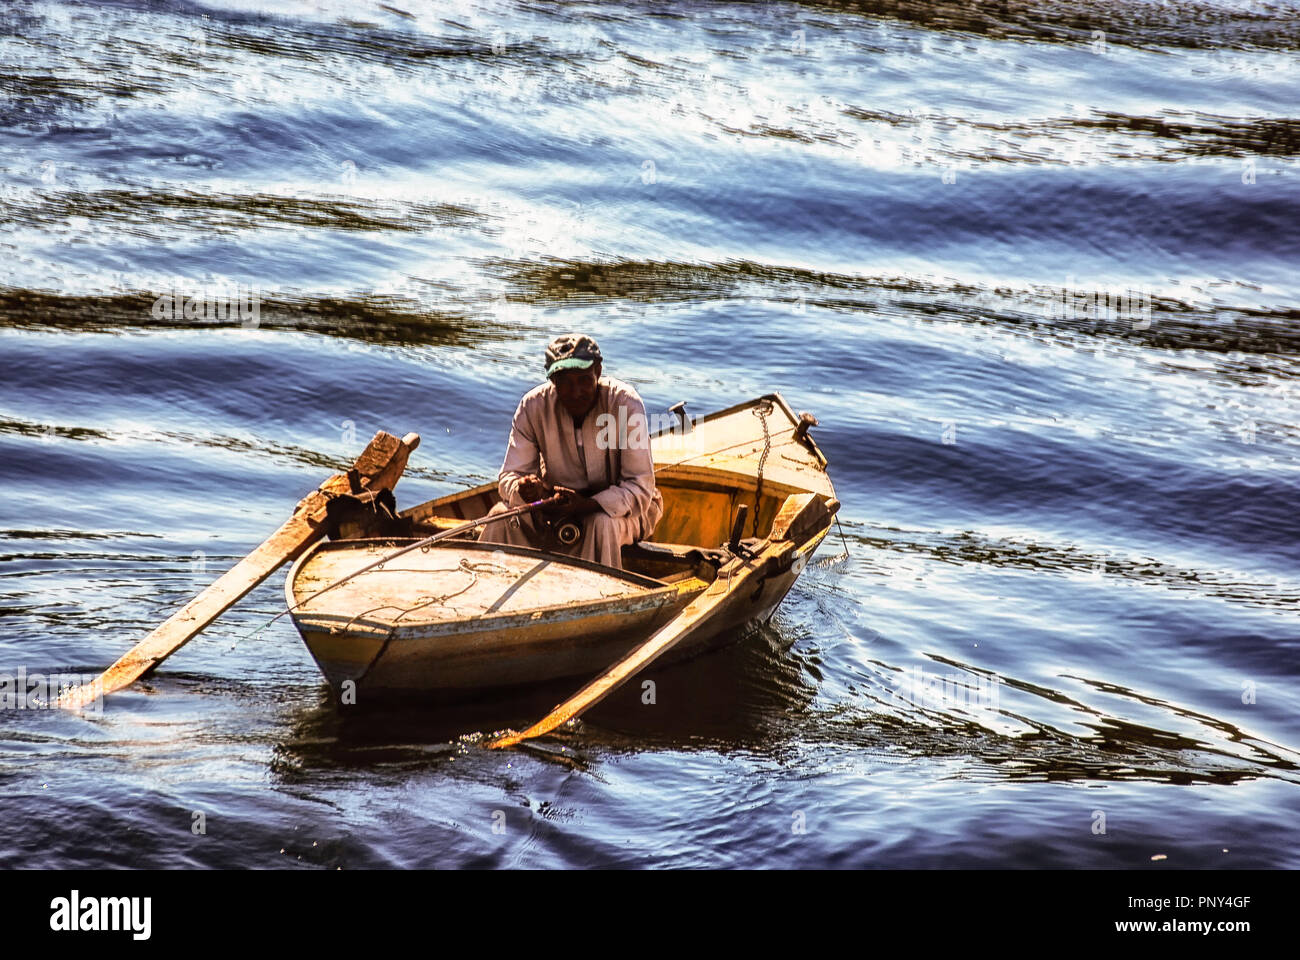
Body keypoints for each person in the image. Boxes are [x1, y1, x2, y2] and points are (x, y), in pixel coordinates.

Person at [478, 334, 663, 569]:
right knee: (500, 516)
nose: (576, 392)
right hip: (553, 508)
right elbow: (509, 478)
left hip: (624, 512)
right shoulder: (532, 406)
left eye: (584, 380)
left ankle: (598, 599)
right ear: (553, 380)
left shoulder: (625, 403)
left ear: (598, 371)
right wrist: (529, 491)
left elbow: (639, 489)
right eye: (565, 383)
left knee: (599, 525)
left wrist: (585, 505)